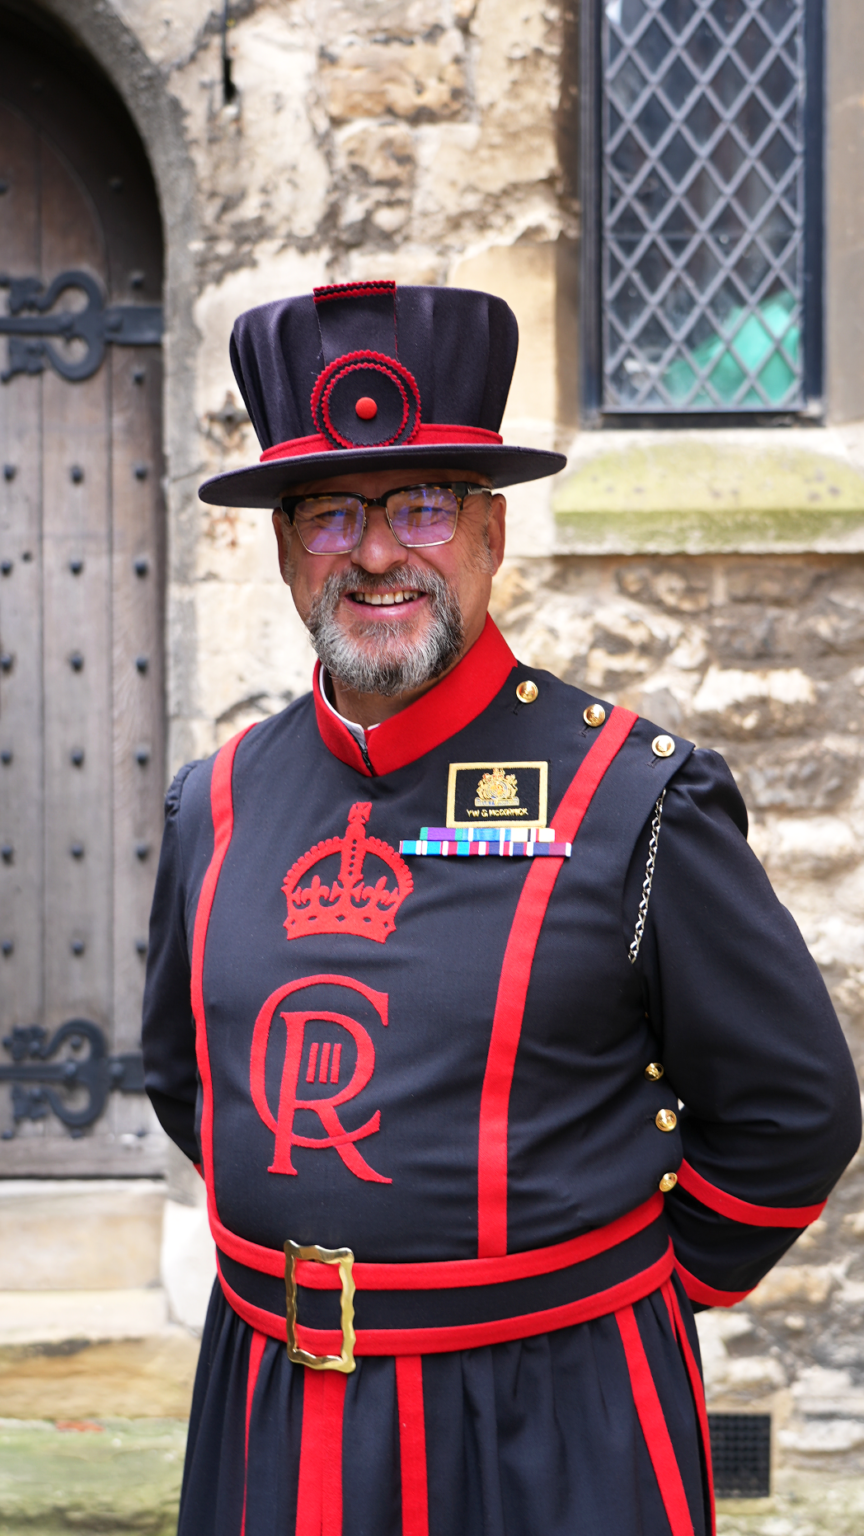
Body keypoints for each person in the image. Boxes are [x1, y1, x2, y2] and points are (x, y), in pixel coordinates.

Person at [143, 280, 861, 1536]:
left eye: (422, 506)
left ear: (492, 529)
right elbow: (192, 1084)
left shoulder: (632, 794)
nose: (376, 553)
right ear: (279, 542)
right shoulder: (217, 804)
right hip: (274, 1411)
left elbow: (793, 1110)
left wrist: (606, 1296)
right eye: (329, 513)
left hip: (556, 1422)